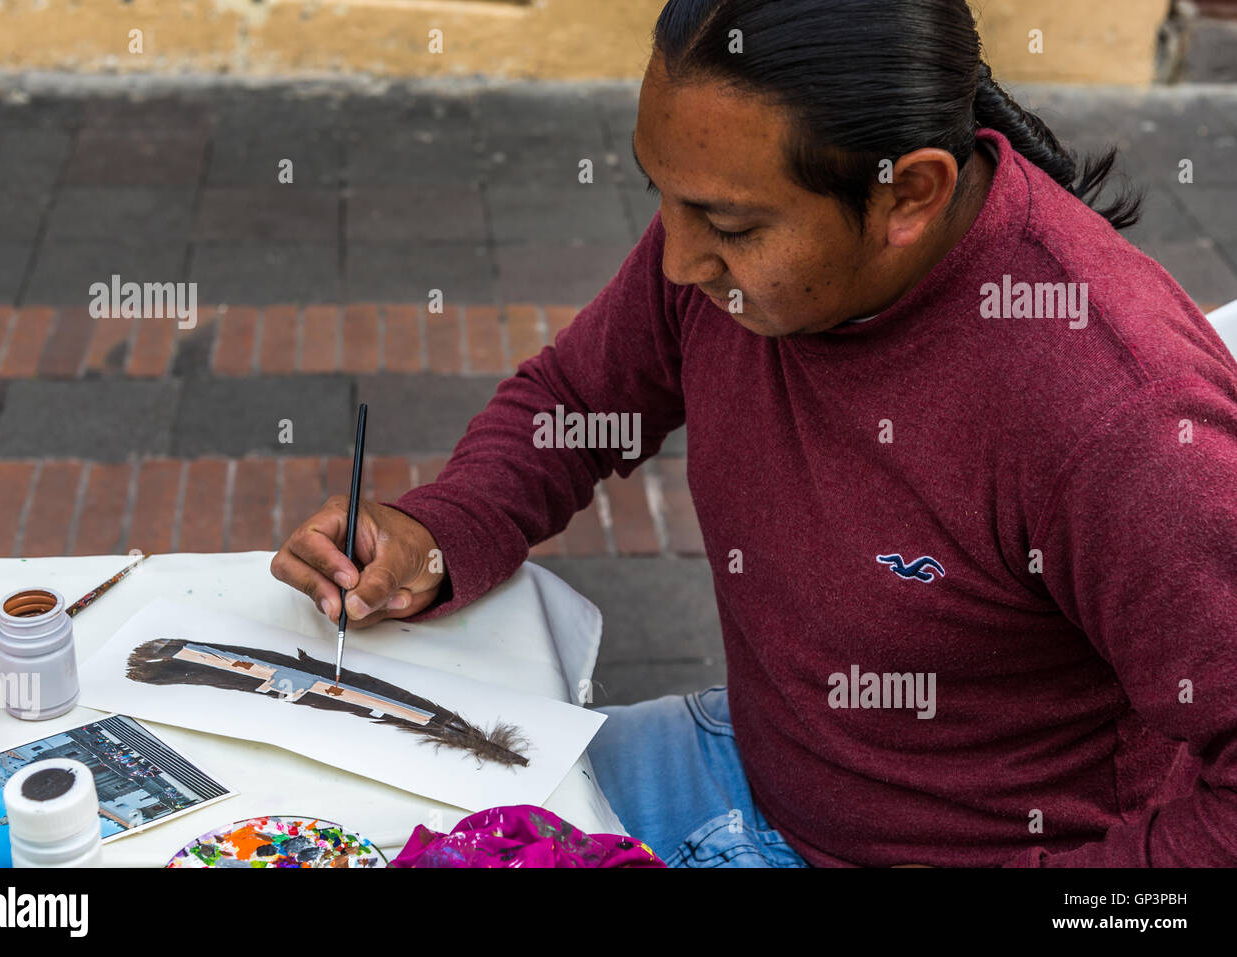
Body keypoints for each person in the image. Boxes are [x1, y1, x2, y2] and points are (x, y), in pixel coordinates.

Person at [271, 0, 1237, 867]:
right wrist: (435, 534)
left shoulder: (1119, 418)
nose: (680, 257)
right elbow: (575, 400)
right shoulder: (720, 244)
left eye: (727, 223)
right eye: (663, 193)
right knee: (348, 827)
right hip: (753, 763)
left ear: (910, 194)